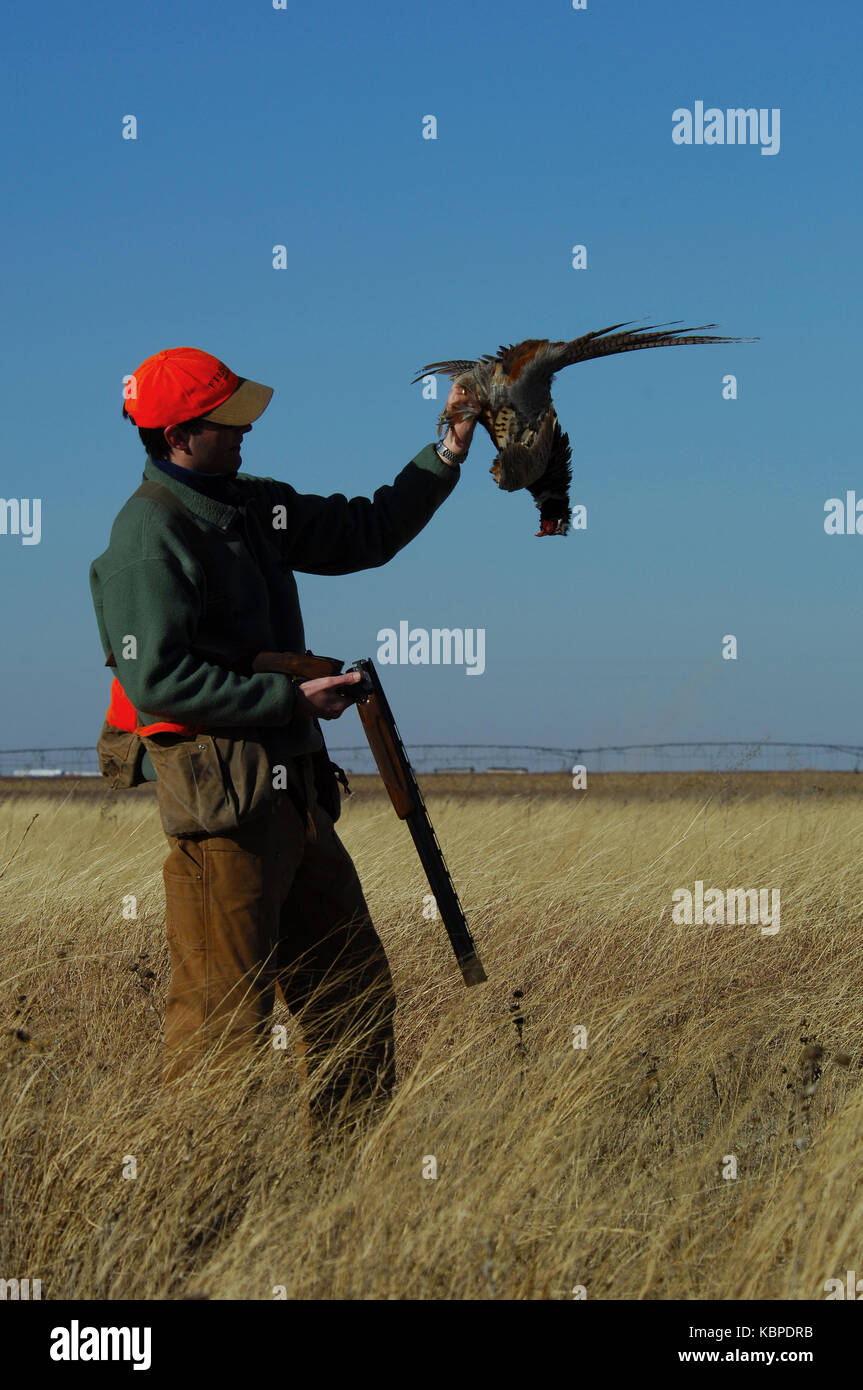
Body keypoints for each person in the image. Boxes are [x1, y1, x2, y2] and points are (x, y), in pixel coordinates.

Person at [89, 346, 476, 1128]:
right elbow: (154, 682)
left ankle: (339, 1196)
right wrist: (287, 698)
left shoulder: (249, 503)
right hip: (224, 818)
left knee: (352, 997)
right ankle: (194, 1216)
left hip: (296, 805)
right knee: (222, 1023)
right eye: (226, 420)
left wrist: (445, 451)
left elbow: (362, 532)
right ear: (177, 436)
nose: (245, 430)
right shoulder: (146, 535)